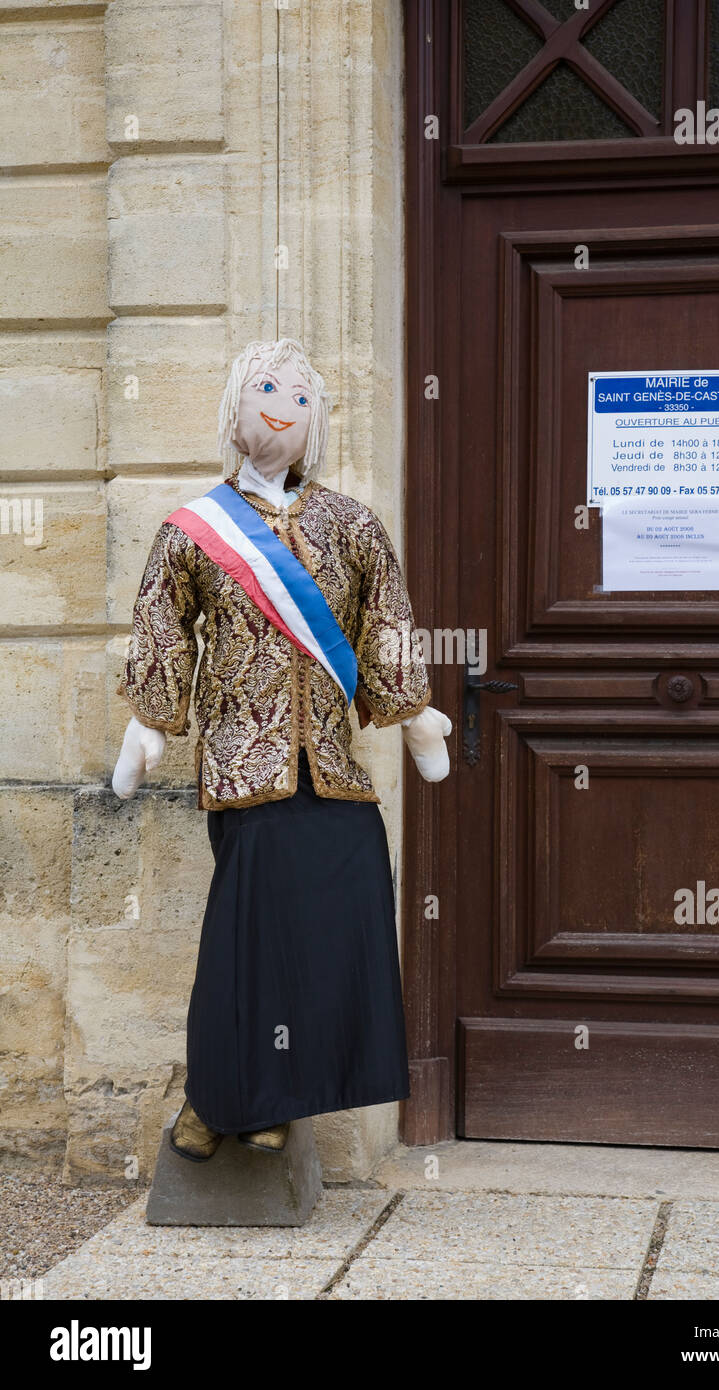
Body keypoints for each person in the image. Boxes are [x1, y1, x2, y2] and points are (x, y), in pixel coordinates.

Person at [112, 338, 451, 1161]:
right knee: (247, 942)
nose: (280, 406)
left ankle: (277, 1100)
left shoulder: (352, 525)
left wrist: (413, 715)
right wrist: (149, 722)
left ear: (316, 419)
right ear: (237, 407)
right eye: (266, 391)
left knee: (333, 930)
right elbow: (161, 626)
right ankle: (216, 1099)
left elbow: (389, 622)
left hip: (332, 771)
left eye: (297, 395)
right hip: (243, 766)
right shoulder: (193, 530)